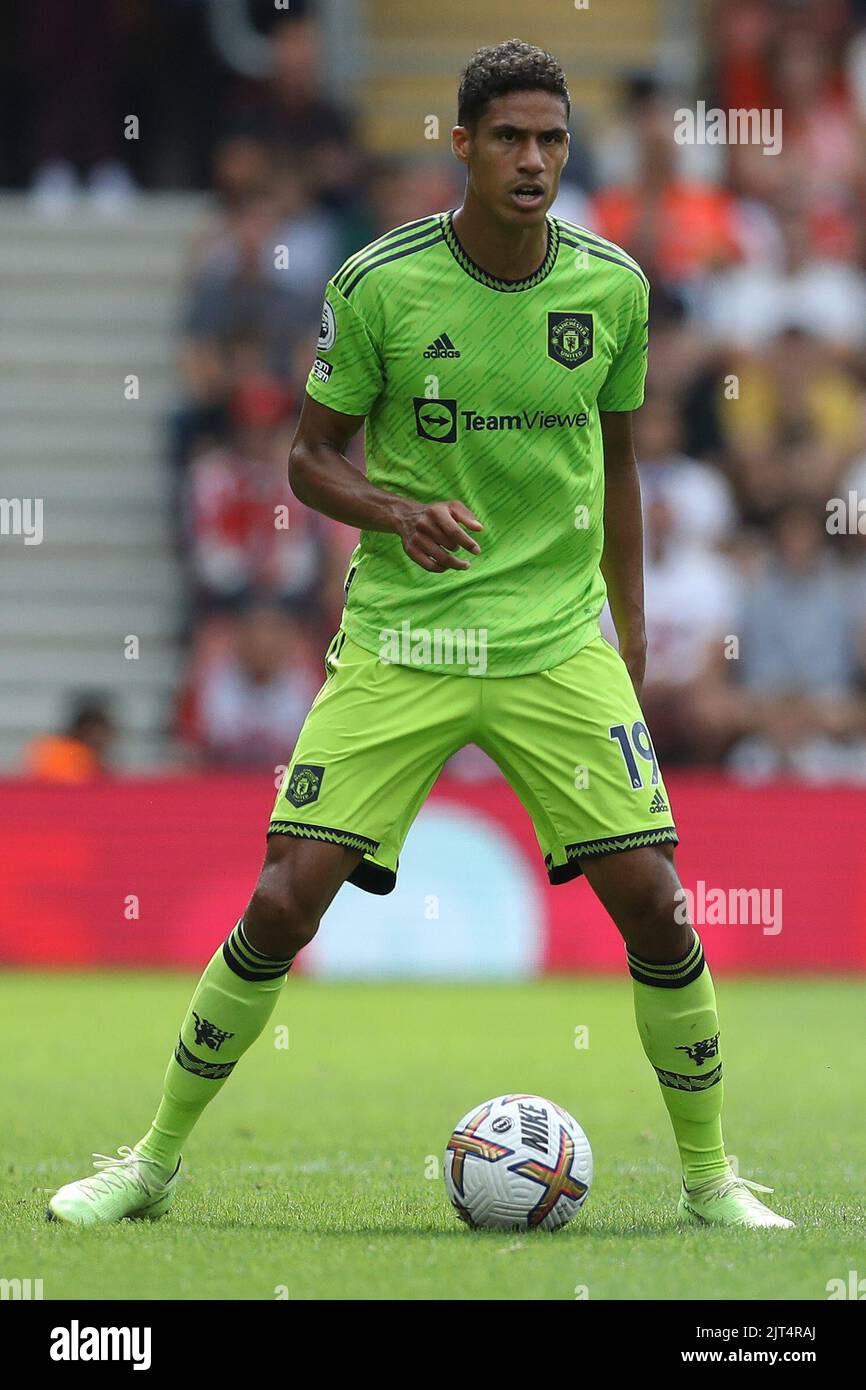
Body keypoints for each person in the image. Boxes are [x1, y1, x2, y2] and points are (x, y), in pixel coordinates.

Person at [48, 40, 792, 1230]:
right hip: (404, 637)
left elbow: (618, 468)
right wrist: (399, 512)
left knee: (653, 898)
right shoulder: (379, 283)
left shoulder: (611, 289)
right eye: (508, 137)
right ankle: (147, 1163)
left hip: (555, 642)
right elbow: (306, 458)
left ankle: (711, 1183)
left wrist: (630, 639)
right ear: (462, 145)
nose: (533, 159)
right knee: (288, 897)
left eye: (550, 139)